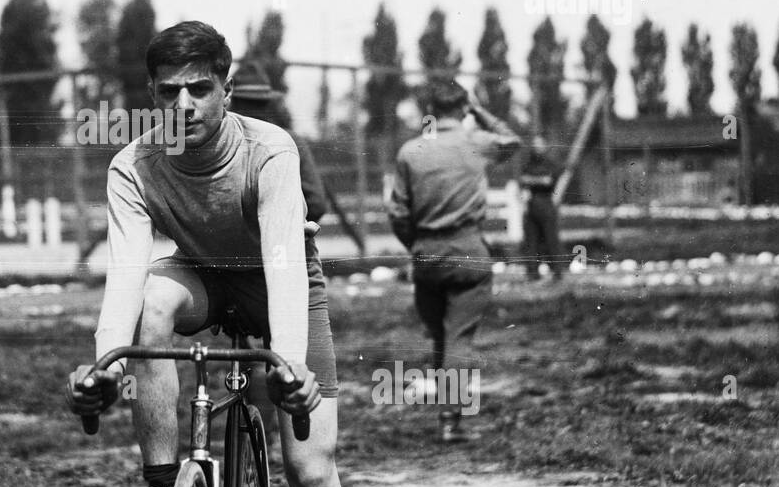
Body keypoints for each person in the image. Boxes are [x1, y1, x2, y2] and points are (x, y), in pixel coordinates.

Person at [66, 22, 360, 487]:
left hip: (275, 283)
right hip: (201, 276)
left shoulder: (270, 151)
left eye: (200, 89)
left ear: (226, 90)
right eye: (169, 92)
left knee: (311, 475)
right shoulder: (133, 166)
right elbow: (124, 275)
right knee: (149, 308)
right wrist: (104, 365)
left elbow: (284, 263)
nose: (185, 106)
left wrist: (288, 363)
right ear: (151, 95)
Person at [387, 80, 521, 443]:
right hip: (468, 250)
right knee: (459, 339)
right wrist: (479, 111)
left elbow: (398, 212)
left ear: (430, 111)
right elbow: (512, 140)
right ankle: (450, 418)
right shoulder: (476, 143)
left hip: (426, 255)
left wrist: (416, 244)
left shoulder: (410, 151)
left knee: (441, 336)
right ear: (464, 108)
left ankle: (447, 403)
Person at [228, 59, 368, 255]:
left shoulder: (222, 143)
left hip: (233, 255)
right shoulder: (289, 140)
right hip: (284, 250)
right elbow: (316, 203)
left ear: (232, 102)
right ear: (268, 103)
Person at [520, 135, 564, 282]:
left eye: (539, 144)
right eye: (534, 144)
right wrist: (538, 181)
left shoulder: (550, 164)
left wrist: (532, 181)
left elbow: (549, 181)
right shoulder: (528, 164)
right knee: (531, 241)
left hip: (546, 204)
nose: (536, 147)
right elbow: (523, 181)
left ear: (544, 146)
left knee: (550, 240)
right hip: (531, 204)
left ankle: (556, 272)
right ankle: (532, 273)